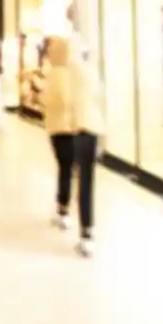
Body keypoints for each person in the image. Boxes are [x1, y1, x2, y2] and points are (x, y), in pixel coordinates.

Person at [41, 35, 106, 258]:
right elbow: (98, 96)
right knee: (86, 181)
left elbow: (50, 100)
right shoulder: (89, 71)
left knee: (65, 169)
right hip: (89, 128)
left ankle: (63, 211)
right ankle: (87, 233)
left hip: (62, 130)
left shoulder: (55, 74)